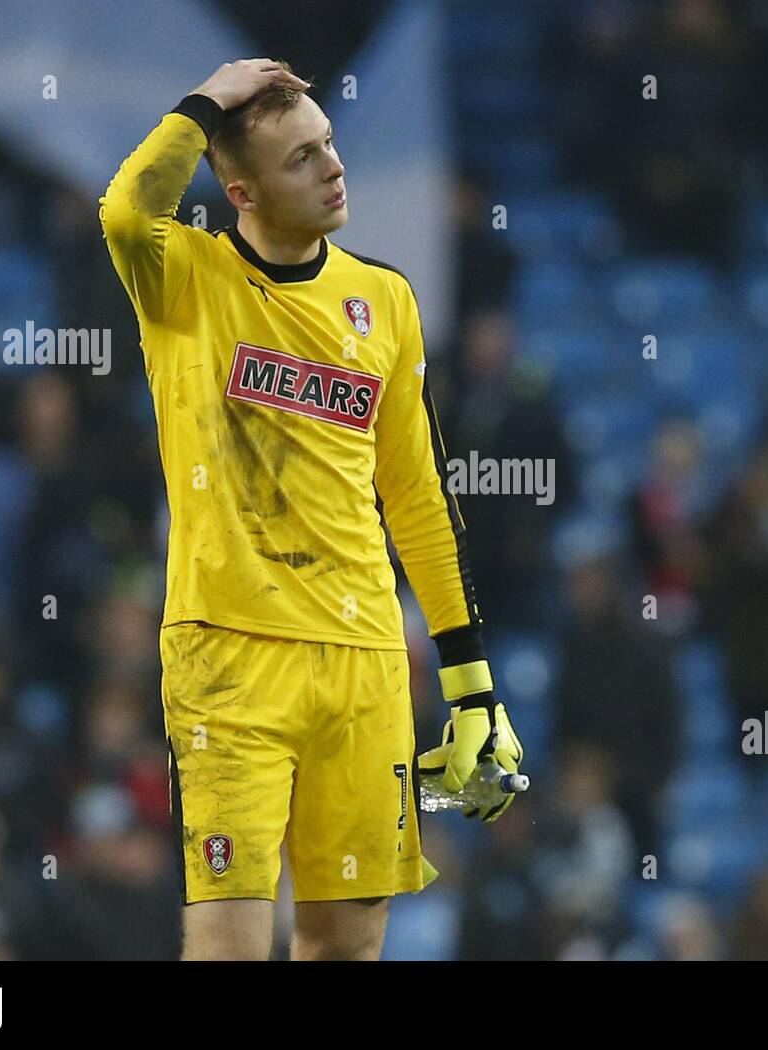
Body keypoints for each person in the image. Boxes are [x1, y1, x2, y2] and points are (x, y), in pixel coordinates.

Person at [99, 59, 524, 961]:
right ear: (241, 188)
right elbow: (126, 211)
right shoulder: (185, 281)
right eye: (301, 159)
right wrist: (206, 101)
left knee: (346, 947)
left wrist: (470, 683)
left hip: (366, 660)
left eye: (329, 144)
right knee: (228, 947)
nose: (333, 167)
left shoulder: (387, 301)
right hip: (228, 659)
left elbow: (416, 498)